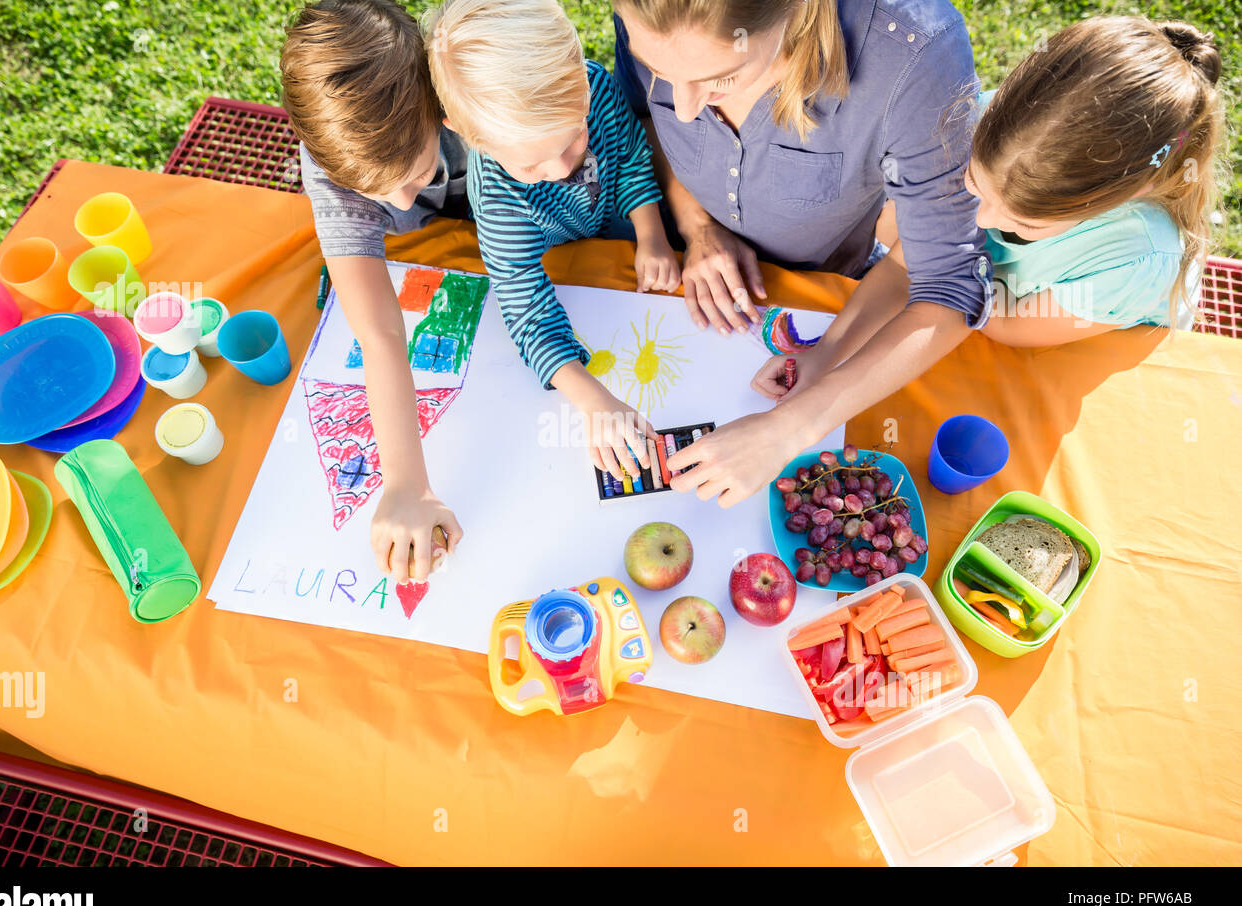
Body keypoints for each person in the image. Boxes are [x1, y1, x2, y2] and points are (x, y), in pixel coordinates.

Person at [611, 0, 991, 507]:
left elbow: (948, 286)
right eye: (660, 72)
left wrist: (789, 430)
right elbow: (641, 116)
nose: (683, 108)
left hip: (830, 285)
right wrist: (697, 225)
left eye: (721, 79)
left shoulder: (912, 52)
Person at [425, 0, 680, 480]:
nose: (562, 168)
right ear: (470, 137)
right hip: (564, 262)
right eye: (532, 165)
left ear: (580, 81)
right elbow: (525, 306)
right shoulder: (497, 194)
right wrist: (593, 399)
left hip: (618, 230)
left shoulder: (596, 87)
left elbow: (628, 155)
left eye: (574, 139)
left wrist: (652, 234)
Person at [281, 0, 468, 583]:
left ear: (439, 105)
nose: (405, 206)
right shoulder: (333, 170)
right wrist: (406, 483)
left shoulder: (471, 95)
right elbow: (381, 333)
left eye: (414, 177)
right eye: (380, 195)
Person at [963, 17, 1223, 345]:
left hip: (1076, 333)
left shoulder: (1132, 260)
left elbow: (1010, 327)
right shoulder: (997, 131)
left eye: (1026, 224)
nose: (981, 218)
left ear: (1124, 194)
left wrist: (944, 263)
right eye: (974, 182)